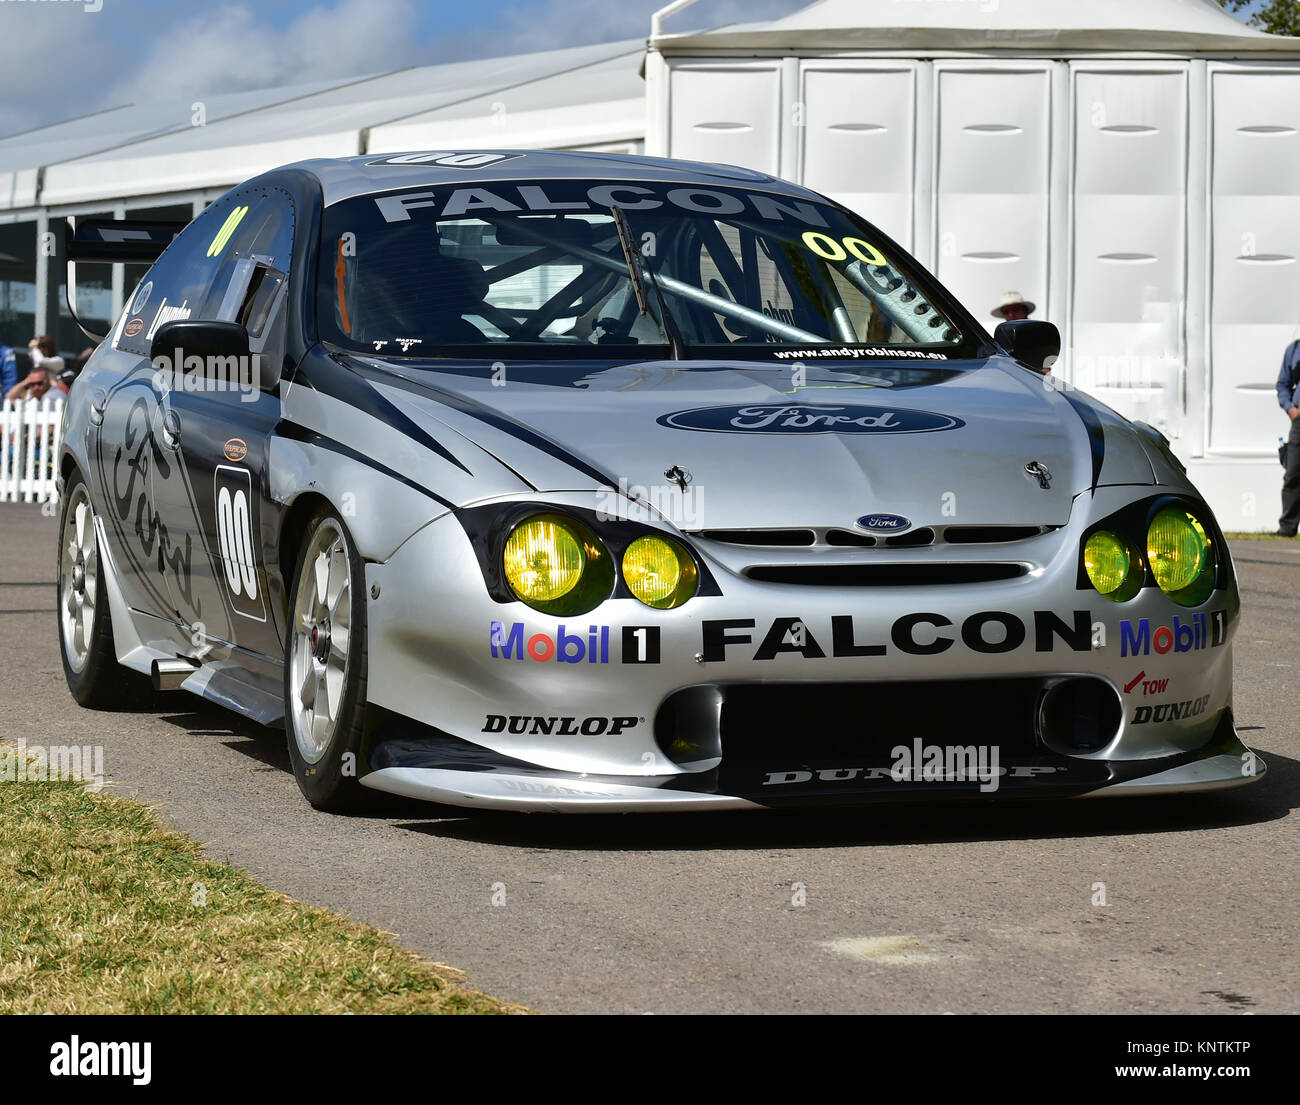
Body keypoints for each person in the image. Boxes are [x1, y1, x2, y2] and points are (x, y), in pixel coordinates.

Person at [1275, 337, 1300, 536]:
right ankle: (1288, 527)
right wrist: (1291, 408)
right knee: (1293, 472)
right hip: (1299, 419)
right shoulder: (1294, 349)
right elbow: (1283, 384)